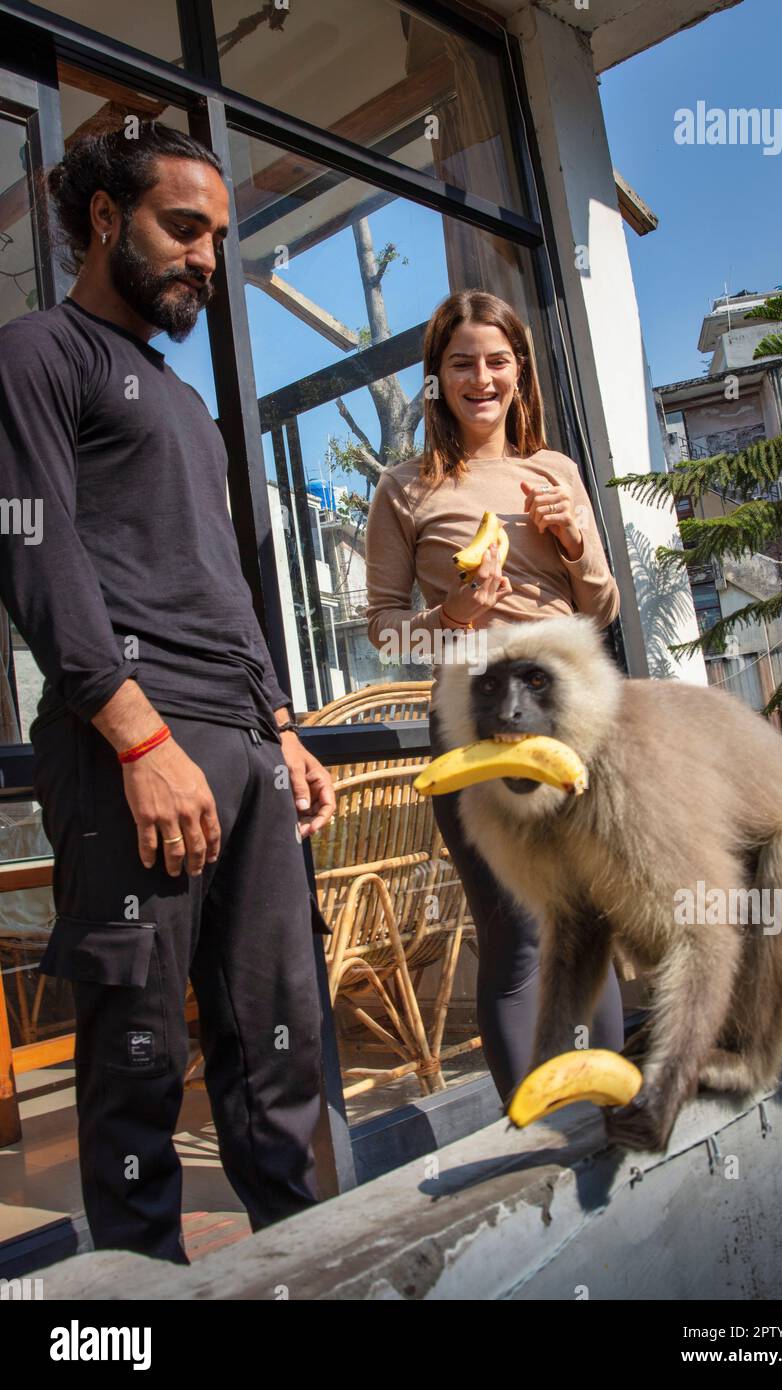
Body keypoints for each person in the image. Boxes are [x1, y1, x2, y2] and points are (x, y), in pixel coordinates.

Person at [0, 122, 336, 1264]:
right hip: (132, 748)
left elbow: (223, 579)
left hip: (239, 747)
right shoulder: (38, 354)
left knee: (280, 1049)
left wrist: (280, 724)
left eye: (217, 238)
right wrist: (139, 740)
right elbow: (36, 557)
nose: (205, 256)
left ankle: (310, 1271)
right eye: (181, 227)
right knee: (139, 1064)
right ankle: (141, 1304)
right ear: (106, 220)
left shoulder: (184, 401)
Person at [365, 289, 623, 1102]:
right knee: (516, 936)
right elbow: (383, 631)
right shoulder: (405, 489)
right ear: (437, 378)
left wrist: (575, 542)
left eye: (496, 361)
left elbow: (602, 604)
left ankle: (607, 1115)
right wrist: (452, 613)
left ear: (520, 372)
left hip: (573, 709)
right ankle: (544, 1135)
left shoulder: (556, 473)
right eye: (461, 363)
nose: (481, 378)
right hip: (478, 717)